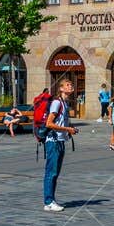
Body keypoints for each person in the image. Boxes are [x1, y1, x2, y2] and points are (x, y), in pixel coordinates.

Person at [42, 78, 78, 211]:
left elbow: (60, 122)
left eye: (71, 84)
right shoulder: (57, 103)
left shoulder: (64, 103)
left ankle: (51, 200)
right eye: (68, 85)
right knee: (51, 172)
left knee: (55, 172)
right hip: (53, 141)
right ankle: (48, 202)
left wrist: (69, 129)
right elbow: (49, 123)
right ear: (61, 88)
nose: (71, 86)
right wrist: (68, 129)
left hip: (60, 140)